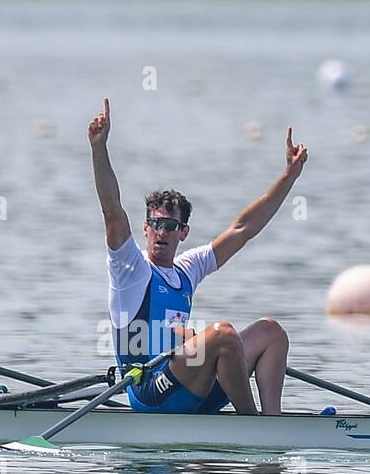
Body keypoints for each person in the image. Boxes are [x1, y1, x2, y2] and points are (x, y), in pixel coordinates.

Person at [88, 98, 306, 415]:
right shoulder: (130, 270)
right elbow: (111, 211)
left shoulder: (188, 269)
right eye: (155, 224)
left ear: (183, 232)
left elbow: (244, 228)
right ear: (145, 228)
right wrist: (99, 148)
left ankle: (273, 421)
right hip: (149, 393)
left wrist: (289, 177)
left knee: (271, 332)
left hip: (185, 385)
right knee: (222, 334)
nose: (161, 232)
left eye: (170, 226)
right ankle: (254, 427)